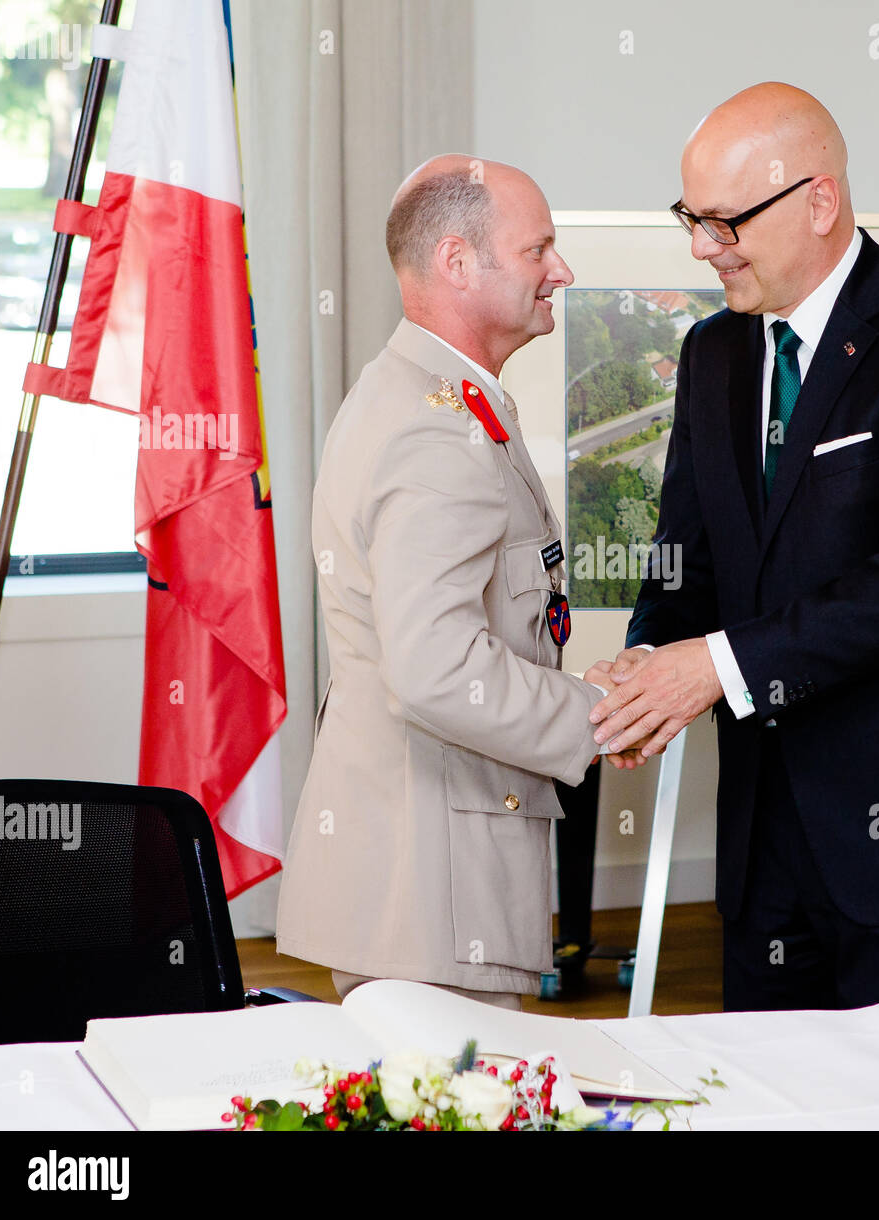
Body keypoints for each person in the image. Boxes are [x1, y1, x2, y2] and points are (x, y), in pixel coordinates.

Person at [588, 83, 879, 1063]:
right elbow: (691, 550)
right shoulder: (714, 350)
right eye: (690, 219)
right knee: (769, 1096)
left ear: (819, 200)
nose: (701, 246)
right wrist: (645, 664)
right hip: (767, 830)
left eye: (723, 221)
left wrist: (708, 669)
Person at [277, 156, 636, 1009]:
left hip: (421, 869)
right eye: (539, 248)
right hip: (432, 891)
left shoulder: (435, 399)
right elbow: (436, 669)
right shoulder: (435, 433)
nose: (563, 271)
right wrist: (602, 713)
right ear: (458, 262)